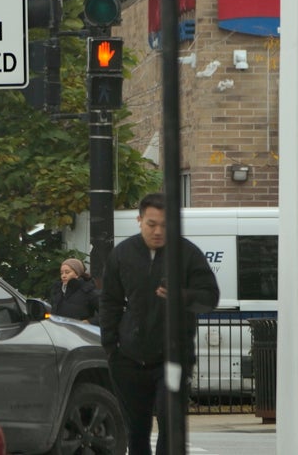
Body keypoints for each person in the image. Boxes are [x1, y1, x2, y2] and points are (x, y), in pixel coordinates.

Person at [99, 192, 220, 455]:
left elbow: (210, 298)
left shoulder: (187, 254)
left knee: (170, 424)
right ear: (139, 220)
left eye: (165, 225)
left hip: (173, 357)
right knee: (137, 430)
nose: (158, 231)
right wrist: (111, 346)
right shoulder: (122, 254)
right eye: (151, 224)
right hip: (128, 357)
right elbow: (109, 301)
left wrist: (182, 295)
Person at [48, 257, 99, 323]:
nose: (63, 276)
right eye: (61, 273)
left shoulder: (88, 290)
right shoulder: (57, 290)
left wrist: (89, 322)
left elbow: (107, 313)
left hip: (78, 332)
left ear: (77, 274)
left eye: (67, 272)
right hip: (58, 331)